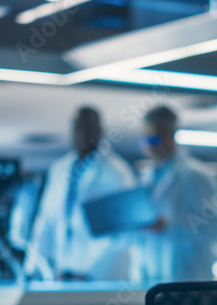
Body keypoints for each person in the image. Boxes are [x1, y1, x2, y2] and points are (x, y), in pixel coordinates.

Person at [26, 107, 137, 281]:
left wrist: (90, 273)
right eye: (78, 128)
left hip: (99, 275)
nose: (83, 134)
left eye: (89, 128)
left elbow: (121, 234)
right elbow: (45, 221)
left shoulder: (118, 172)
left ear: (100, 131)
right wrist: (34, 266)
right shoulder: (59, 168)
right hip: (61, 273)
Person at [137, 106, 217, 283]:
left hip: (188, 277)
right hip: (152, 275)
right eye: (144, 139)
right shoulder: (147, 177)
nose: (148, 145)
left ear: (170, 136)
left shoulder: (195, 175)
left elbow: (211, 228)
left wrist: (168, 226)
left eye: (153, 138)